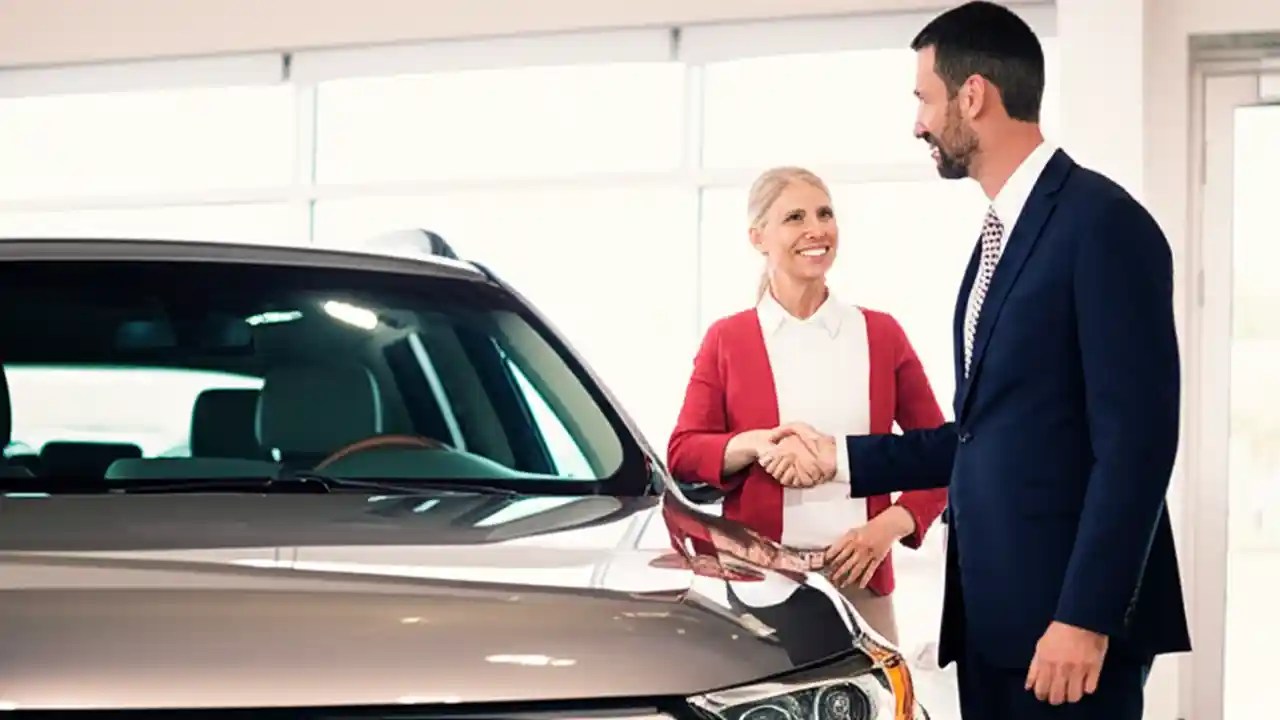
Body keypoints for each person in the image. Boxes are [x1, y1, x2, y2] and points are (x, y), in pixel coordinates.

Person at [770, 3, 1190, 719]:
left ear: (973, 95)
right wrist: (836, 457)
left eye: (924, 99)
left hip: (1065, 631)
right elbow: (980, 433)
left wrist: (1085, 618)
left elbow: (1138, 446)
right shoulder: (1002, 234)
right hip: (996, 624)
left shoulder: (1103, 224)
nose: (918, 123)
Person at [665, 165, 949, 647]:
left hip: (863, 586)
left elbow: (947, 455)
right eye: (795, 217)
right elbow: (683, 454)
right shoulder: (727, 339)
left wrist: (888, 527)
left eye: (825, 213)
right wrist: (753, 444)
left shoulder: (881, 334)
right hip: (755, 588)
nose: (816, 229)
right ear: (758, 237)